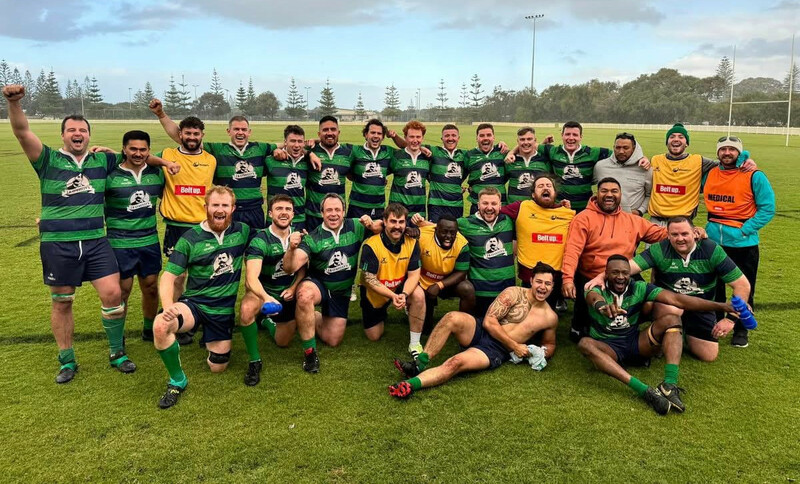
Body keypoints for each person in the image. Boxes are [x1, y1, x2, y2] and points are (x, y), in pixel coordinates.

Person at [3, 84, 135, 383]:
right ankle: (67, 360)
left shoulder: (103, 160)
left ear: (89, 134)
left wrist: (116, 151)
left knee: (113, 294)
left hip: (95, 241)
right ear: (63, 135)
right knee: (62, 301)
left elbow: (138, 158)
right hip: (58, 244)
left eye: (83, 130)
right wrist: (14, 103)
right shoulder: (47, 159)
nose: (78, 134)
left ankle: (117, 352)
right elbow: (22, 132)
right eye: (72, 130)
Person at [578, 255, 735, 415]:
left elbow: (678, 299)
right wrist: (602, 306)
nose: (620, 277)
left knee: (672, 319)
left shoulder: (640, 287)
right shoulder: (596, 288)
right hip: (608, 347)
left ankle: (669, 385)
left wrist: (722, 306)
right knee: (585, 344)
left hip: (635, 342)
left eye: (625, 273)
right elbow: (593, 298)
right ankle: (645, 391)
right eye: (615, 273)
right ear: (606, 273)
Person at [388, 262, 558, 399]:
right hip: (481, 329)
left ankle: (410, 385)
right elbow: (489, 322)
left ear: (552, 287)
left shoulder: (549, 317)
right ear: (531, 280)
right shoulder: (513, 293)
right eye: (539, 281)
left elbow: (549, 344)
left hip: (495, 350)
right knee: (451, 317)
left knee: (456, 362)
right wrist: (515, 346)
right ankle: (419, 364)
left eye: (548, 283)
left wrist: (540, 353)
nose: (543, 287)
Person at [152, 186, 251, 408]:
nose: (220, 209)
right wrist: (168, 306)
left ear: (233, 208)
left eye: (225, 205)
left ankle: (207, 338)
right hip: (195, 304)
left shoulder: (242, 231)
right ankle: (177, 380)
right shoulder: (189, 239)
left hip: (222, 311)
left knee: (218, 367)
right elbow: (168, 277)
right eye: (215, 205)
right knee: (161, 325)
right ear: (205, 207)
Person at [282, 194, 381, 372]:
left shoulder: (356, 226)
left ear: (344, 212)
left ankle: (306, 318)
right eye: (329, 210)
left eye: (337, 210)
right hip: (319, 286)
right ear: (322, 213)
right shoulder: (313, 237)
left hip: (341, 293)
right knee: (304, 296)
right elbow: (290, 267)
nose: (333, 214)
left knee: (333, 339)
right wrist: (291, 248)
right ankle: (310, 353)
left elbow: (384, 227)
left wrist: (373, 224)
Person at [562, 177, 669, 342]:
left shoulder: (632, 220)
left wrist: (689, 232)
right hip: (591, 275)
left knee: (650, 302)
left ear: (620, 195)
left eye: (614, 191)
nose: (609, 195)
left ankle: (633, 324)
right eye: (604, 191)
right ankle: (581, 325)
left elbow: (661, 234)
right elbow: (572, 250)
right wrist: (568, 279)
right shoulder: (583, 218)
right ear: (597, 194)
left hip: (624, 274)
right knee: (581, 334)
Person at [151, 106, 280, 231]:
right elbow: (186, 139)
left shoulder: (260, 148)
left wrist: (279, 150)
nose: (240, 132)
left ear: (249, 132)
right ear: (228, 131)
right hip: (227, 209)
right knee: (230, 249)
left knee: (255, 246)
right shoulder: (216, 150)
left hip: (254, 210)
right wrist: (161, 115)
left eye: (243, 129)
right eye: (236, 129)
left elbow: (287, 145)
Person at [704, 136, 775, 348]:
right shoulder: (711, 173)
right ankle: (717, 323)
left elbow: (767, 208)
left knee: (744, 287)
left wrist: (746, 230)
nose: (727, 153)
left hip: (744, 244)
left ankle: (742, 329)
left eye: (732, 150)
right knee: (715, 287)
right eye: (723, 149)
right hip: (714, 241)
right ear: (717, 153)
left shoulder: (754, 175)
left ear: (739, 152)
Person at [104, 131, 166, 342]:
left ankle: (148, 330)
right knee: (123, 290)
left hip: (149, 241)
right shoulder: (110, 175)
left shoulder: (157, 173)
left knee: (150, 287)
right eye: (133, 149)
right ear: (124, 149)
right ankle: (117, 335)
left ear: (149, 151)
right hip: (119, 243)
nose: (138, 154)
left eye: (142, 150)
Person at [237, 195, 305, 386]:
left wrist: (293, 287)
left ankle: (267, 322)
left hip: (287, 293)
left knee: (283, 342)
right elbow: (251, 278)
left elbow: (304, 271)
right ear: (270, 213)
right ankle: (254, 361)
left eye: (288, 209)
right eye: (279, 209)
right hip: (263, 291)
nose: (283, 212)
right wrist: (266, 298)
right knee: (246, 309)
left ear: (293, 213)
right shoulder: (260, 239)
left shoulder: (300, 237)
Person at [648, 123, 755, 225]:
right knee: (655, 245)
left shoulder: (699, 161)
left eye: (681, 137)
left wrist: (745, 160)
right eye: (672, 137)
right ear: (667, 142)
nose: (676, 139)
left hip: (683, 222)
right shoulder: (655, 160)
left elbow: (727, 163)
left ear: (687, 143)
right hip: (656, 222)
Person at [534, 121, 648, 212]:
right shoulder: (553, 151)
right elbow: (528, 146)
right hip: (560, 206)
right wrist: (515, 152)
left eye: (575, 135)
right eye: (567, 134)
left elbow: (620, 154)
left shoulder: (593, 152)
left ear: (581, 137)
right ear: (562, 135)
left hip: (586, 209)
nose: (571, 138)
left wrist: (641, 158)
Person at [500, 174, 575, 310]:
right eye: (540, 186)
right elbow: (494, 211)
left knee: (548, 318)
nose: (545, 188)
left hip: (555, 276)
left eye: (548, 186)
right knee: (525, 316)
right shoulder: (522, 207)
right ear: (533, 195)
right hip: (529, 274)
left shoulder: (568, 214)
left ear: (555, 193)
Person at [359, 203, 425, 354]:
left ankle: (414, 344)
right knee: (374, 335)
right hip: (376, 293)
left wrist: (404, 294)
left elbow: (414, 274)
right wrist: (393, 296)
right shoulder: (371, 245)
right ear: (384, 221)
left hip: (400, 286)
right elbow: (369, 280)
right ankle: (383, 311)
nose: (397, 226)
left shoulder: (412, 242)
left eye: (401, 222)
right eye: (393, 222)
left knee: (419, 295)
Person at [409, 213, 474, 332]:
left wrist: (439, 285)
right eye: (444, 232)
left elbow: (461, 272)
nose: (448, 236)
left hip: (445, 282)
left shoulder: (462, 244)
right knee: (425, 330)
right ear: (435, 229)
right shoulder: (422, 236)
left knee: (467, 288)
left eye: (452, 233)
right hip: (423, 282)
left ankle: (463, 325)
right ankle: (413, 306)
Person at [457, 187, 516, 315]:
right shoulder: (465, 223)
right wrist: (420, 223)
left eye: (494, 203)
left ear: (500, 206)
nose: (489, 207)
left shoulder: (509, 221)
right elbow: (442, 228)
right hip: (480, 292)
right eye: (485, 203)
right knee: (480, 329)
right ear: (478, 205)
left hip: (507, 291)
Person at [305, 116, 353, 232]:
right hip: (314, 216)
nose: (329, 133)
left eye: (333, 129)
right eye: (325, 130)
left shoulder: (349, 152)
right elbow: (292, 147)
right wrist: (309, 153)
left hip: (337, 217)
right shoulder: (311, 149)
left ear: (339, 132)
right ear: (319, 133)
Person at [592, 132, 651, 215]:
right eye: (618, 147)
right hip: (604, 218)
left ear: (634, 149)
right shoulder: (600, 166)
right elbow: (588, 185)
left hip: (631, 220)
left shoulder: (645, 168)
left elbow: (650, 195)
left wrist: (640, 211)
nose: (621, 151)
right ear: (613, 148)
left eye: (626, 148)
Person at [265, 125, 311, 230]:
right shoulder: (271, 160)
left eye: (300, 141)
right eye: (293, 141)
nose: (296, 145)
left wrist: (311, 154)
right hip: (274, 220)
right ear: (285, 142)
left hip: (299, 220)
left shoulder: (307, 163)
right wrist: (275, 150)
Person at [348, 119, 395, 219]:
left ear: (383, 137)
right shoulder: (355, 151)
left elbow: (407, 149)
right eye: (372, 132)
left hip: (378, 207)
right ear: (366, 134)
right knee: (355, 234)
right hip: (357, 207)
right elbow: (334, 146)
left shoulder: (388, 151)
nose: (376, 136)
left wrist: (394, 136)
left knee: (376, 234)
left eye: (379, 133)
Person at [388, 121, 431, 222]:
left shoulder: (427, 157)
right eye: (411, 137)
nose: (415, 140)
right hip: (397, 213)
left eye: (418, 137)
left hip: (419, 213)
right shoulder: (396, 156)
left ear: (422, 138)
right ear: (405, 137)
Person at [425, 124, 468, 222]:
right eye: (447, 136)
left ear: (458, 138)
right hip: (436, 205)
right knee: (435, 232)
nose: (450, 138)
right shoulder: (433, 151)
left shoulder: (465, 155)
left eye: (453, 135)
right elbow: (411, 145)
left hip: (456, 204)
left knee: (453, 234)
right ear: (442, 138)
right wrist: (421, 148)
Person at [465, 123, 507, 213]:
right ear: (477, 138)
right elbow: (459, 175)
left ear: (493, 137)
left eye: (489, 135)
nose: (485, 138)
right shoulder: (469, 155)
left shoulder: (502, 152)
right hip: (477, 206)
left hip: (500, 205)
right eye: (482, 135)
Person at [505, 127, 550, 203]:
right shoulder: (510, 160)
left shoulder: (544, 160)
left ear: (535, 140)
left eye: (529, 139)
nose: (526, 142)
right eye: (522, 139)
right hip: (514, 211)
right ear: (517, 141)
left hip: (536, 210)